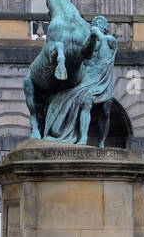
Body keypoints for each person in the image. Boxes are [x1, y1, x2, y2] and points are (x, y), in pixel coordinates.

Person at [43, 15, 117, 145]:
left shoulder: (110, 40)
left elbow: (105, 54)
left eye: (98, 23)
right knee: (81, 99)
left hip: (103, 79)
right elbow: (85, 52)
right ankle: (82, 137)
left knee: (105, 111)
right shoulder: (92, 40)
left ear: (105, 26)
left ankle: (101, 141)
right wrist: (92, 37)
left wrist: (98, 34)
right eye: (93, 22)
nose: (94, 24)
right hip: (87, 78)